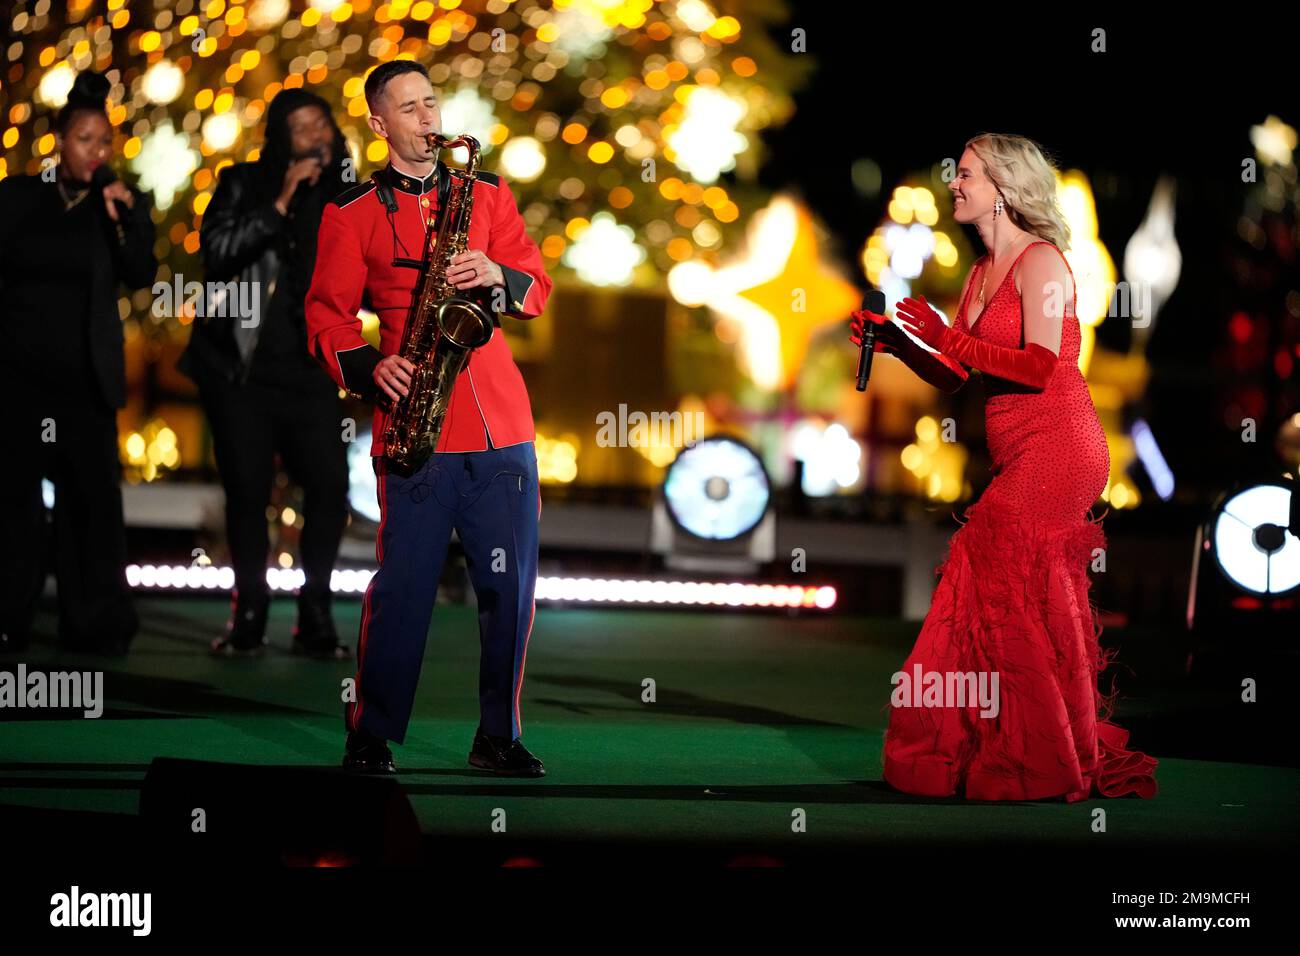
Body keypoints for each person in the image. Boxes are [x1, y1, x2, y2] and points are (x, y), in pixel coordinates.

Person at [851, 133, 1158, 801]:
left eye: (965, 176)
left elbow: (1042, 364)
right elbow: (957, 372)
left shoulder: (1042, 264)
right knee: (1012, 589)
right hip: (1020, 451)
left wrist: (947, 337)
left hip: (1061, 447)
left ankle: (1034, 761)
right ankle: (1017, 748)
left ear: (1004, 187)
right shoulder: (981, 272)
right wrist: (905, 344)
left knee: (991, 563)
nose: (954, 185)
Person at [305, 61, 553, 776]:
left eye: (432, 103)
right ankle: (371, 731)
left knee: (510, 590)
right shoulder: (350, 212)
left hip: (500, 427)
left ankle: (497, 734)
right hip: (414, 420)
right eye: (409, 109)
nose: (427, 119)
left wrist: (494, 274)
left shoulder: (488, 194)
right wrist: (366, 364)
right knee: (403, 589)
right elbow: (324, 315)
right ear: (379, 125)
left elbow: (536, 289)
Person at [178, 89, 354, 658]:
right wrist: (278, 202)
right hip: (240, 370)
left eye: (320, 125)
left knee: (329, 488)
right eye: (301, 129)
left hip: (312, 372)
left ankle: (316, 613)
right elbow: (219, 250)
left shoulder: (349, 196)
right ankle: (249, 613)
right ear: (282, 138)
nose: (315, 138)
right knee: (246, 494)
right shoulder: (241, 182)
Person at [0, 70, 157, 655]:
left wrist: (127, 220)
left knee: (89, 506)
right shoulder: (17, 199)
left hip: (84, 384)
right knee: (13, 504)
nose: (97, 151)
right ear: (61, 142)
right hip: (15, 381)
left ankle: (91, 621)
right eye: (86, 139)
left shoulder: (115, 207)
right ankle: (10, 615)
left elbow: (141, 275)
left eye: (105, 142)